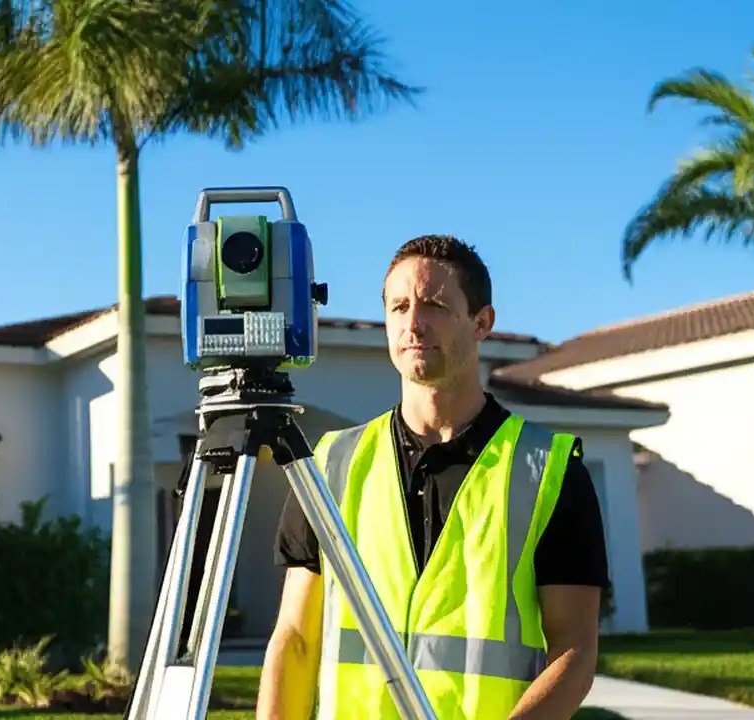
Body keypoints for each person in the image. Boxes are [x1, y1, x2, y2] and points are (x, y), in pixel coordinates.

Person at [255, 235, 610, 720]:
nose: (413, 323)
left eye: (436, 305)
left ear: (482, 322)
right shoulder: (330, 464)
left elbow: (575, 652)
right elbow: (295, 639)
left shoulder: (547, 469)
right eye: (399, 306)